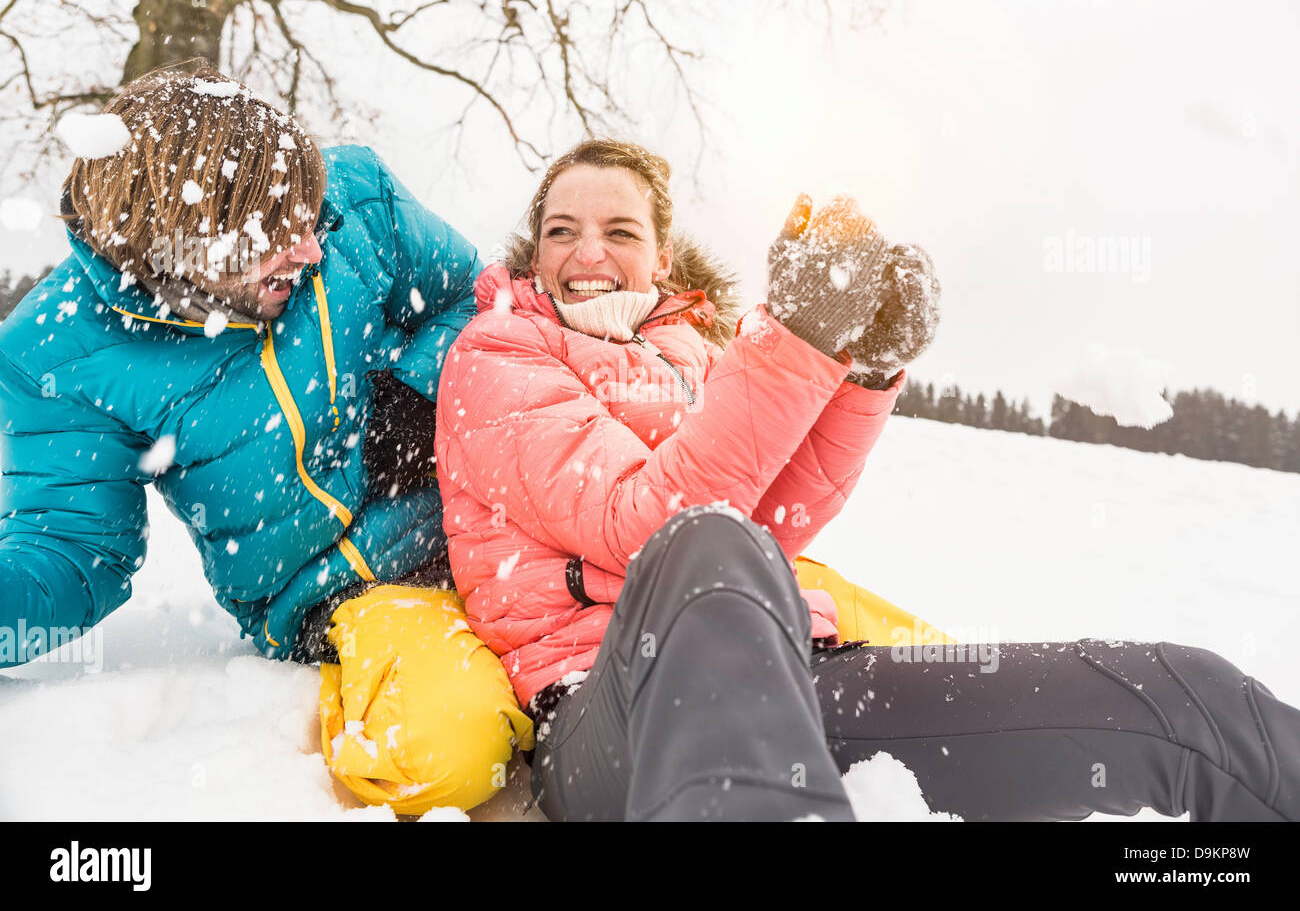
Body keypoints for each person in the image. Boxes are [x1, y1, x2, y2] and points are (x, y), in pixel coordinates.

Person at [434, 138, 1300, 821]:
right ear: (534, 249)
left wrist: (861, 374)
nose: (588, 250)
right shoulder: (499, 353)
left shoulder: (694, 356)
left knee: (1182, 700)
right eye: (561, 229)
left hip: (790, 670)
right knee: (704, 543)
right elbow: (646, 526)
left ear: (661, 259)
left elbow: (774, 518)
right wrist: (794, 341)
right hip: (609, 718)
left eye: (620, 230)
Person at [0, 61, 532, 815]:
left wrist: (417, 393)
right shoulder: (58, 353)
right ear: (181, 245)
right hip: (355, 591)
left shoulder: (355, 196)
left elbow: (475, 298)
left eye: (310, 219)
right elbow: (69, 547)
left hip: (496, 512)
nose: (312, 249)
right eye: (275, 235)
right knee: (453, 749)